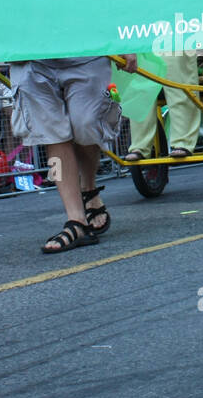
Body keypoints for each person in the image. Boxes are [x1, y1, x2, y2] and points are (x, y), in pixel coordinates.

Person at [10, 53, 135, 253]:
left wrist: (124, 43)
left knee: (86, 126)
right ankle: (76, 219)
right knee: (50, 134)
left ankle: (89, 188)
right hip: (31, 56)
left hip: (86, 50)